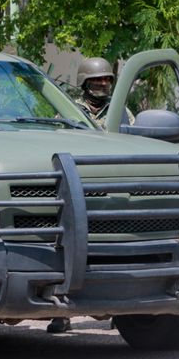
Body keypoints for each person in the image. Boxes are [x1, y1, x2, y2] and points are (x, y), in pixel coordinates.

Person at [45, 56, 118, 336]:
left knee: (108, 252)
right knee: (66, 250)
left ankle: (114, 308)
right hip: (76, 189)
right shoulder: (67, 112)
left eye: (106, 80)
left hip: (108, 190)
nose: (102, 84)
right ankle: (60, 314)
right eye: (96, 80)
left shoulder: (120, 112)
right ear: (84, 83)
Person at [73, 56, 115, 127]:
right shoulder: (72, 108)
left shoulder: (117, 109)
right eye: (98, 79)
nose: (104, 83)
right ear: (84, 82)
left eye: (107, 79)